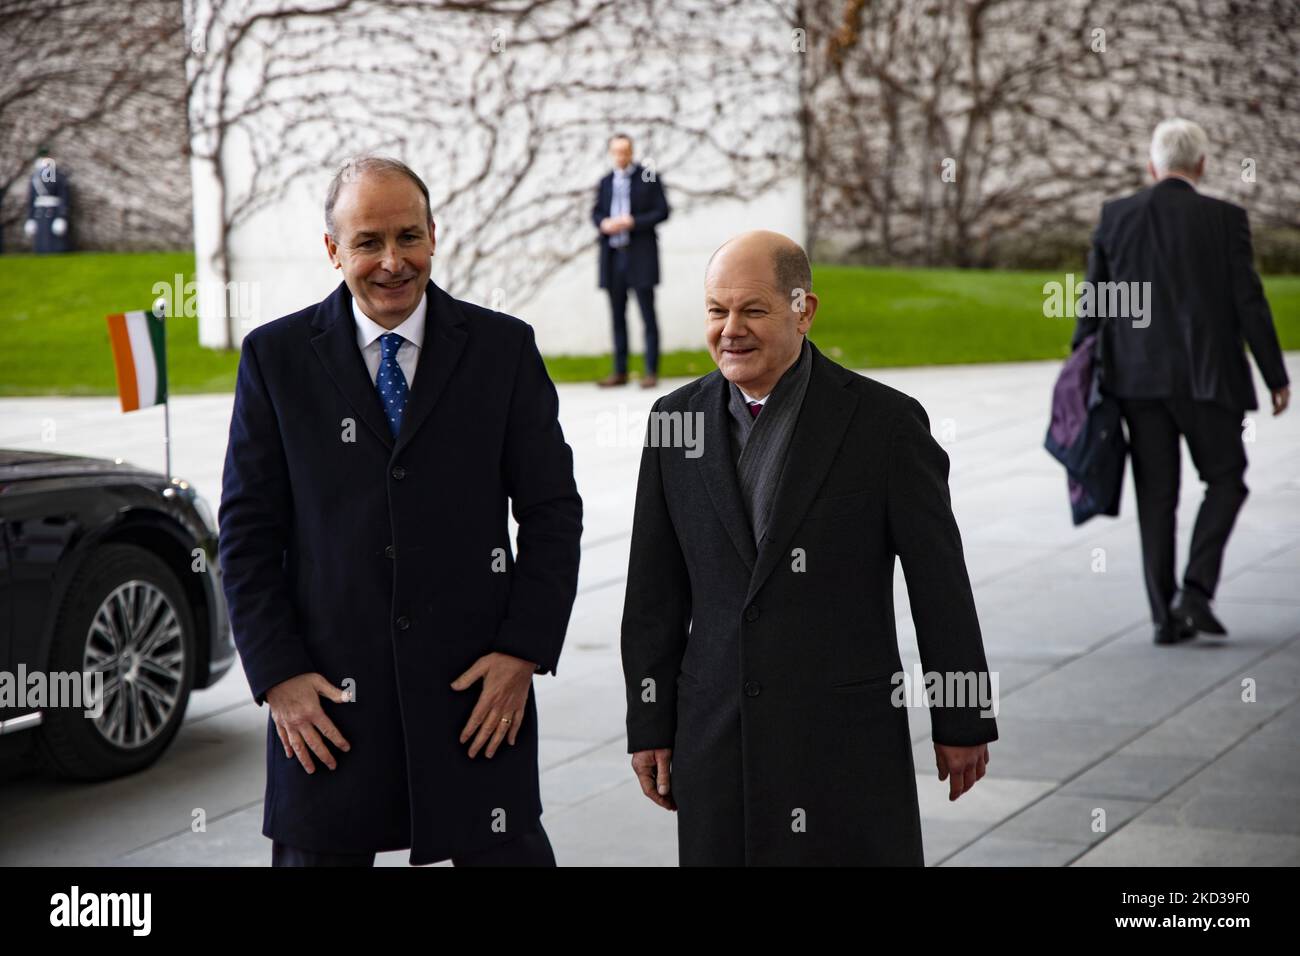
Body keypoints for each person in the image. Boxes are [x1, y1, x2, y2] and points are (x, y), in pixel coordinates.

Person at [219, 156, 583, 866]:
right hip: (326, 705)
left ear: (434, 235)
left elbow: (552, 512)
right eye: (367, 242)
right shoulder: (276, 358)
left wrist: (522, 652)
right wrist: (278, 676)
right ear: (333, 250)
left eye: (409, 237)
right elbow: (247, 534)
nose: (393, 262)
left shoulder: (503, 349)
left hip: (475, 697)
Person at [620, 230, 997, 865]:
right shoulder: (673, 422)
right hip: (717, 732)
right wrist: (649, 722)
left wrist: (962, 719)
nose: (730, 329)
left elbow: (940, 583)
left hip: (843, 736)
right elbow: (653, 592)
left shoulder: (885, 424)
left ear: (805, 310)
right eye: (717, 310)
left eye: (753, 310)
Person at [1071, 118, 1290, 645]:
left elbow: (1093, 304)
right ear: (1202, 166)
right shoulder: (1225, 219)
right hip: (1207, 381)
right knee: (1227, 479)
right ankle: (1194, 592)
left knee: (1157, 498)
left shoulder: (1116, 216)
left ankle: (1163, 619)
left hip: (1137, 385)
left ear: (1153, 166)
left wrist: (1079, 368)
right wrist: (1274, 374)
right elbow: (1248, 302)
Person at [591, 133, 670, 389]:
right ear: (611, 153)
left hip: (640, 255)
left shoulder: (647, 177)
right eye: (616, 151)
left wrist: (633, 221)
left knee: (647, 314)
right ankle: (620, 371)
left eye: (625, 151)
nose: (621, 156)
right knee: (617, 315)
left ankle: (650, 371)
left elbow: (662, 211)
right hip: (613, 256)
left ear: (631, 151)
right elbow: (596, 212)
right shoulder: (605, 182)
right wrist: (603, 222)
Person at [25, 145, 71, 253]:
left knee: (54, 244)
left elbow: (63, 197)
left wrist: (61, 216)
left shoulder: (59, 177)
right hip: (39, 213)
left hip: (53, 212)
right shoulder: (34, 178)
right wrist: (30, 218)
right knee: (41, 243)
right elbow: (31, 199)